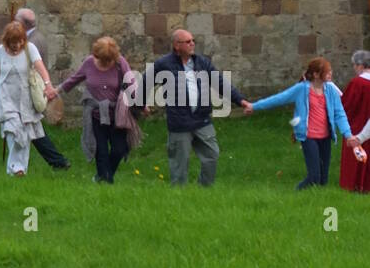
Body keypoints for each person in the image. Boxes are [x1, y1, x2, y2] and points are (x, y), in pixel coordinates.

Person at [149, 28, 252, 187]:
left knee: (212, 154)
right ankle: (177, 196)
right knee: (179, 164)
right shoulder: (164, 64)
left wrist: (240, 101)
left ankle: (205, 189)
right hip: (180, 123)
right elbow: (145, 82)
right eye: (188, 41)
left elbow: (220, 82)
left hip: (201, 119)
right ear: (177, 45)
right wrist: (140, 105)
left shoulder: (201, 62)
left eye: (193, 41)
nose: (192, 44)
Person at [245, 57, 359, 190]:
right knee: (314, 177)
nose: (330, 74)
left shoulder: (331, 91)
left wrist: (348, 134)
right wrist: (254, 106)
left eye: (330, 71)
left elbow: (340, 114)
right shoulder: (301, 89)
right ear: (316, 74)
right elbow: (279, 99)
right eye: (327, 71)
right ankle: (296, 193)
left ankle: (318, 202)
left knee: (323, 180)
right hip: (308, 137)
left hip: (325, 138)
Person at [50, 35, 143, 184]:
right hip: (95, 115)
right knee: (101, 151)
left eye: (109, 60)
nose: (107, 63)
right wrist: (57, 90)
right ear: (96, 55)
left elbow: (131, 84)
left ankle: (104, 176)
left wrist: (142, 104)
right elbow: (75, 79)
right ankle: (107, 182)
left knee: (119, 150)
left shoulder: (120, 63)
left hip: (117, 115)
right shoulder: (89, 63)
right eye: (103, 59)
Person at [0, 20, 51, 176]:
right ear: (7, 41)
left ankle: (19, 170)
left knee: (25, 133)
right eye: (13, 42)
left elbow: (40, 67)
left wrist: (48, 85)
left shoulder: (30, 49)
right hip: (6, 98)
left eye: (20, 41)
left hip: (25, 99)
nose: (17, 45)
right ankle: (16, 168)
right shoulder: (1, 51)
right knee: (12, 130)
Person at [13, 8, 71, 170]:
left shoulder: (32, 42)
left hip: (31, 91)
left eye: (16, 22)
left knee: (33, 130)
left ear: (22, 24)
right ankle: (57, 161)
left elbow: (30, 66)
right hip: (30, 90)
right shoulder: (35, 37)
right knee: (33, 129)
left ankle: (58, 161)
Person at [340, 50, 370, 193]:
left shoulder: (357, 83)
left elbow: (346, 106)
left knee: (355, 159)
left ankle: (353, 185)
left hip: (356, 127)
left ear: (360, 65)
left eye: (354, 65)